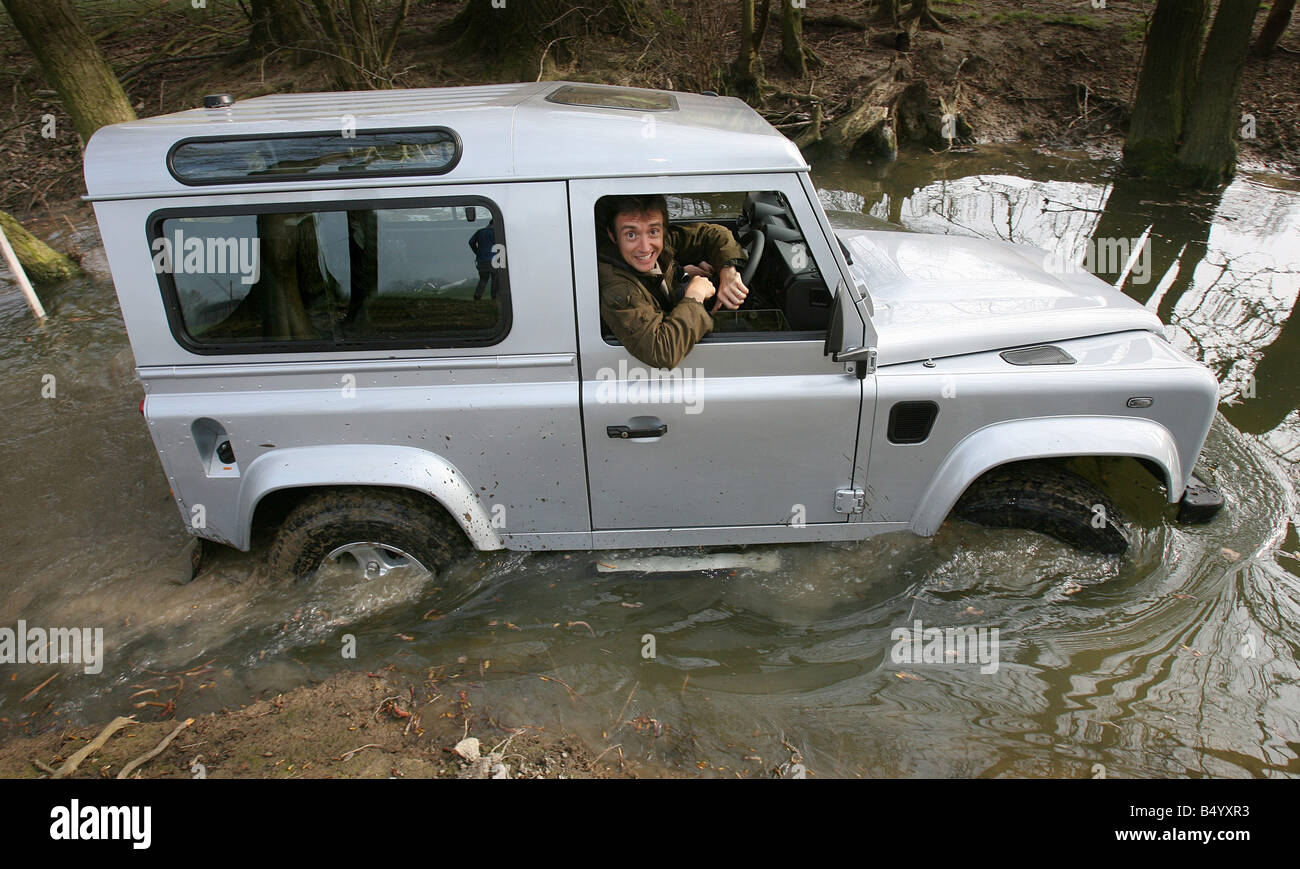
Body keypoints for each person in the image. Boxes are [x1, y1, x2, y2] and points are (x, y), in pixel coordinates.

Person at [598, 195, 749, 369]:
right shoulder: (616, 288)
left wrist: (728, 270)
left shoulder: (662, 242)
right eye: (631, 234)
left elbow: (713, 234)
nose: (645, 247)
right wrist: (696, 294)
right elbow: (663, 351)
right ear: (613, 235)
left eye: (653, 231)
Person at [468, 220, 498, 300]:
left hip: (481, 260)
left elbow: (471, 242)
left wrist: (477, 252)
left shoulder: (480, 231)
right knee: (495, 279)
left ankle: (478, 295)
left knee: (483, 279)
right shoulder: (497, 232)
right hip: (494, 259)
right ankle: (494, 297)